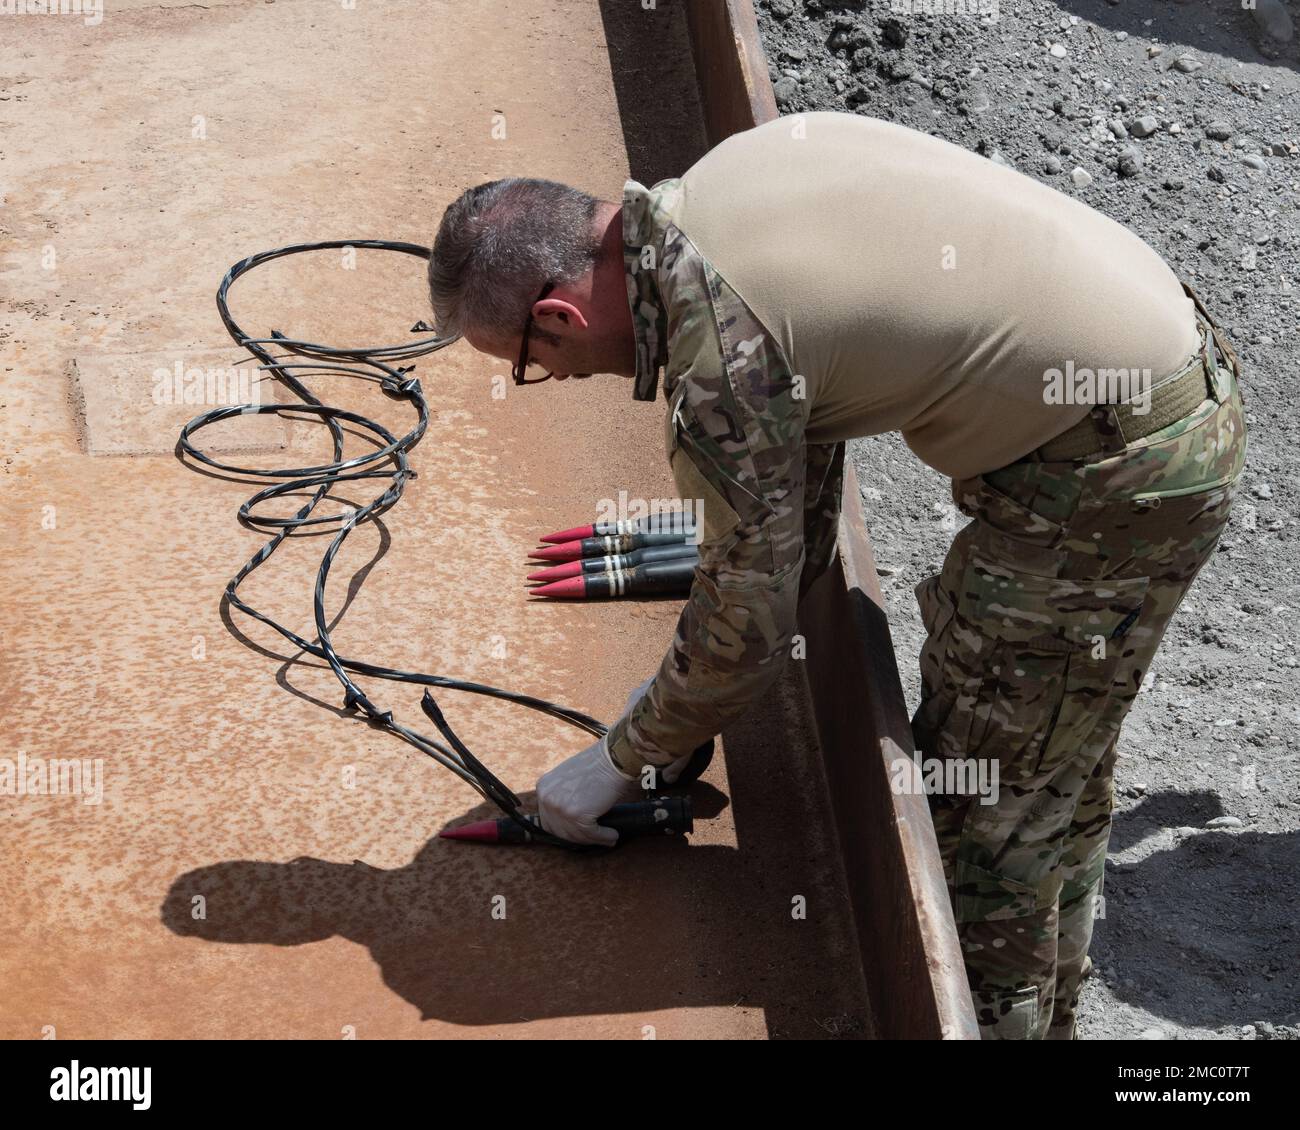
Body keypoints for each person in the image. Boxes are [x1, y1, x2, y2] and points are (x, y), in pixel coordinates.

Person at [427, 111, 1247, 1039]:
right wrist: (675, 713)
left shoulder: (717, 348)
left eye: (533, 366)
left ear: (558, 317)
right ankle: (1052, 1012)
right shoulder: (719, 190)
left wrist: (621, 758)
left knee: (980, 817)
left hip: (1111, 474)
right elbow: (788, 531)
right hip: (1169, 385)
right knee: (1053, 764)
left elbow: (753, 608)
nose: (558, 381)